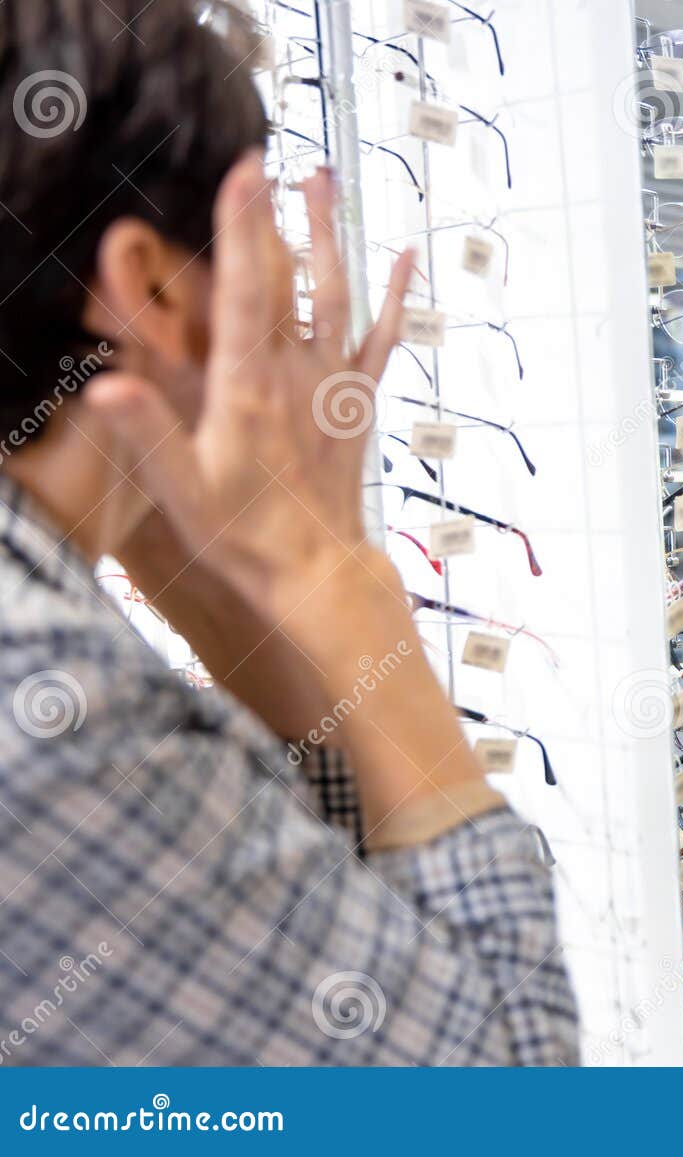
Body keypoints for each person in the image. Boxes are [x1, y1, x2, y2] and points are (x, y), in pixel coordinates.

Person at [0, 0, 577, 1064]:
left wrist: (222, 586)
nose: (304, 300)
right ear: (154, 287)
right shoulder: (54, 700)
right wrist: (335, 572)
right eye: (265, 230)